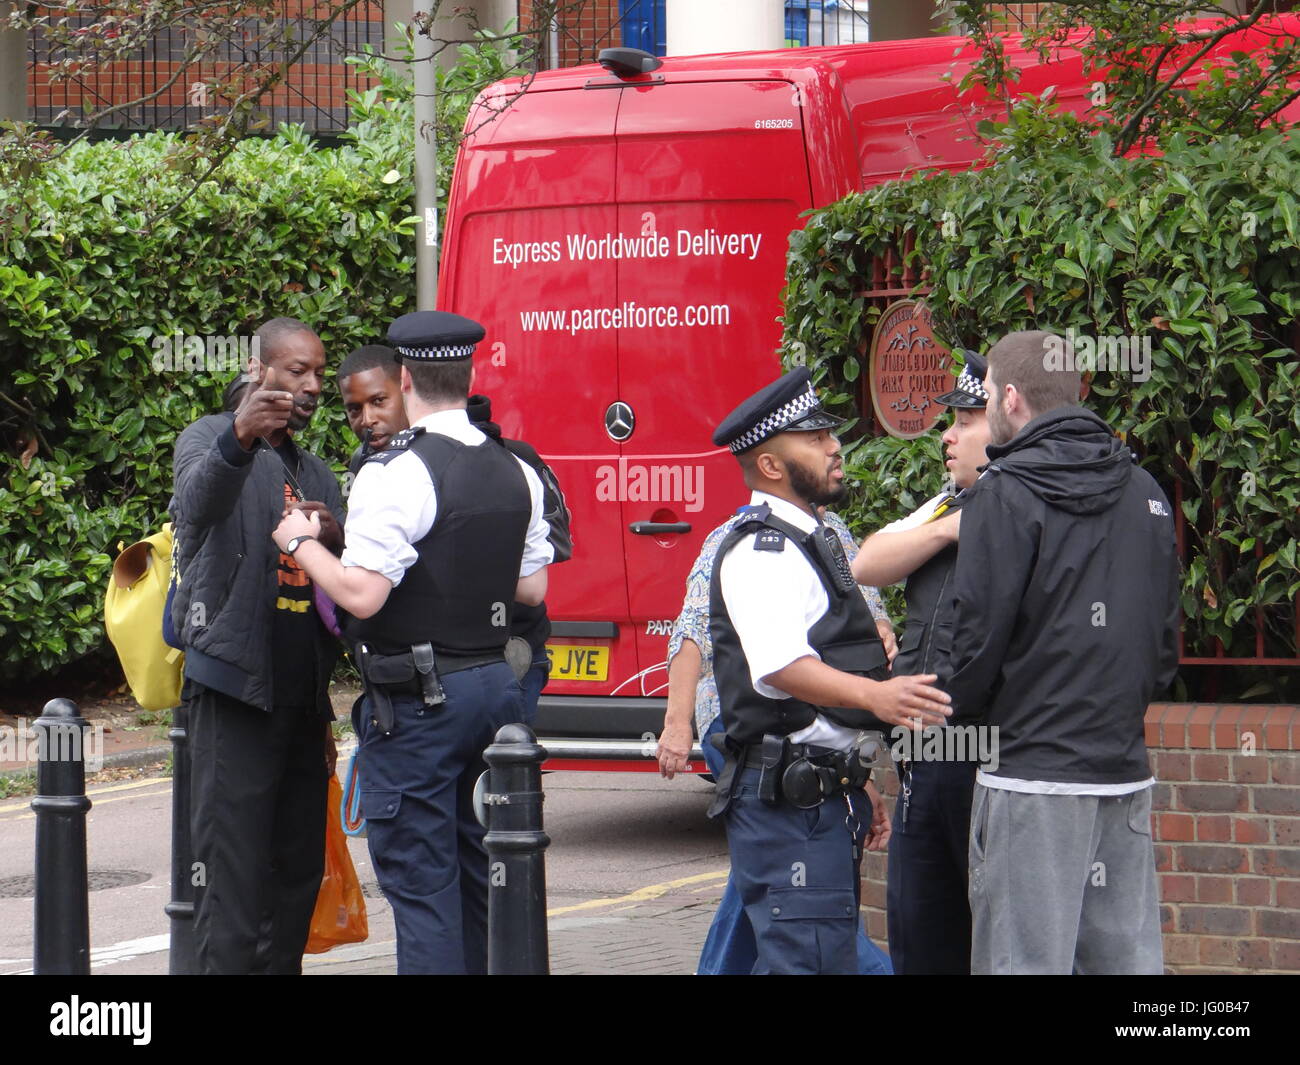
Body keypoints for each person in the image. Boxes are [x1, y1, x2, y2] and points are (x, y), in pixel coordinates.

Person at [272, 310, 553, 975]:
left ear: (404, 378)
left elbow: (362, 594)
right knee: (486, 877)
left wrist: (299, 542)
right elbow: (533, 589)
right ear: (471, 374)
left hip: (420, 707)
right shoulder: (517, 467)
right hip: (493, 690)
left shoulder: (394, 471)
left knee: (425, 892)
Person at [945, 330, 1180, 975]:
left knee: (1021, 963)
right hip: (1121, 770)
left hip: (1028, 774)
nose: (986, 405)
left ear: (1012, 399)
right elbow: (1163, 647)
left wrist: (958, 721)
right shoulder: (1149, 494)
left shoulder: (1001, 492)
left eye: (987, 393)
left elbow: (976, 643)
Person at [705, 367, 952, 974]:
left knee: (812, 957)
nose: (834, 447)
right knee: (812, 962)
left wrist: (854, 776)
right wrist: (881, 697)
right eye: (814, 438)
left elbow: (817, 686)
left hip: (818, 798)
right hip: (789, 811)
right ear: (770, 465)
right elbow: (782, 667)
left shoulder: (811, 539)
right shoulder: (763, 551)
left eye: (829, 435)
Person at [169, 317, 344, 975]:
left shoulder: (316, 472)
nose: (312, 385)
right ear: (257, 369)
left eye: (320, 373)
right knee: (231, 895)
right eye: (297, 370)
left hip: (299, 706)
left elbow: (334, 602)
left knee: (294, 886)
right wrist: (240, 434)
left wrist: (337, 533)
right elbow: (195, 506)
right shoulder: (207, 439)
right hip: (233, 693)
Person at [657, 507, 897, 975]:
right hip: (740, 723)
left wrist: (882, 636)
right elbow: (692, 631)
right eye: (817, 442)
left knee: (768, 885)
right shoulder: (740, 535)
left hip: (818, 731)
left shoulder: (835, 535)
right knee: (797, 893)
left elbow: (870, 620)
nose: (833, 453)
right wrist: (675, 723)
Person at [851, 350, 990, 975]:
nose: (948, 435)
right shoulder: (945, 503)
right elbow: (868, 560)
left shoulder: (1025, 501)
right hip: (924, 752)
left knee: (998, 927)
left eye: (965, 419)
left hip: (986, 751)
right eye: (949, 419)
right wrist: (942, 530)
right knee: (919, 924)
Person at [466, 393, 570, 724]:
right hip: (504, 648)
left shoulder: (520, 461)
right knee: (506, 769)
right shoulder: (520, 459)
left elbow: (538, 578)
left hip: (513, 648)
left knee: (504, 766)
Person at [338, 344, 406, 475]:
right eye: (355, 409)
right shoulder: (360, 462)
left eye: (378, 401)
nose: (367, 420)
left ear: (406, 388)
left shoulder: (440, 456)